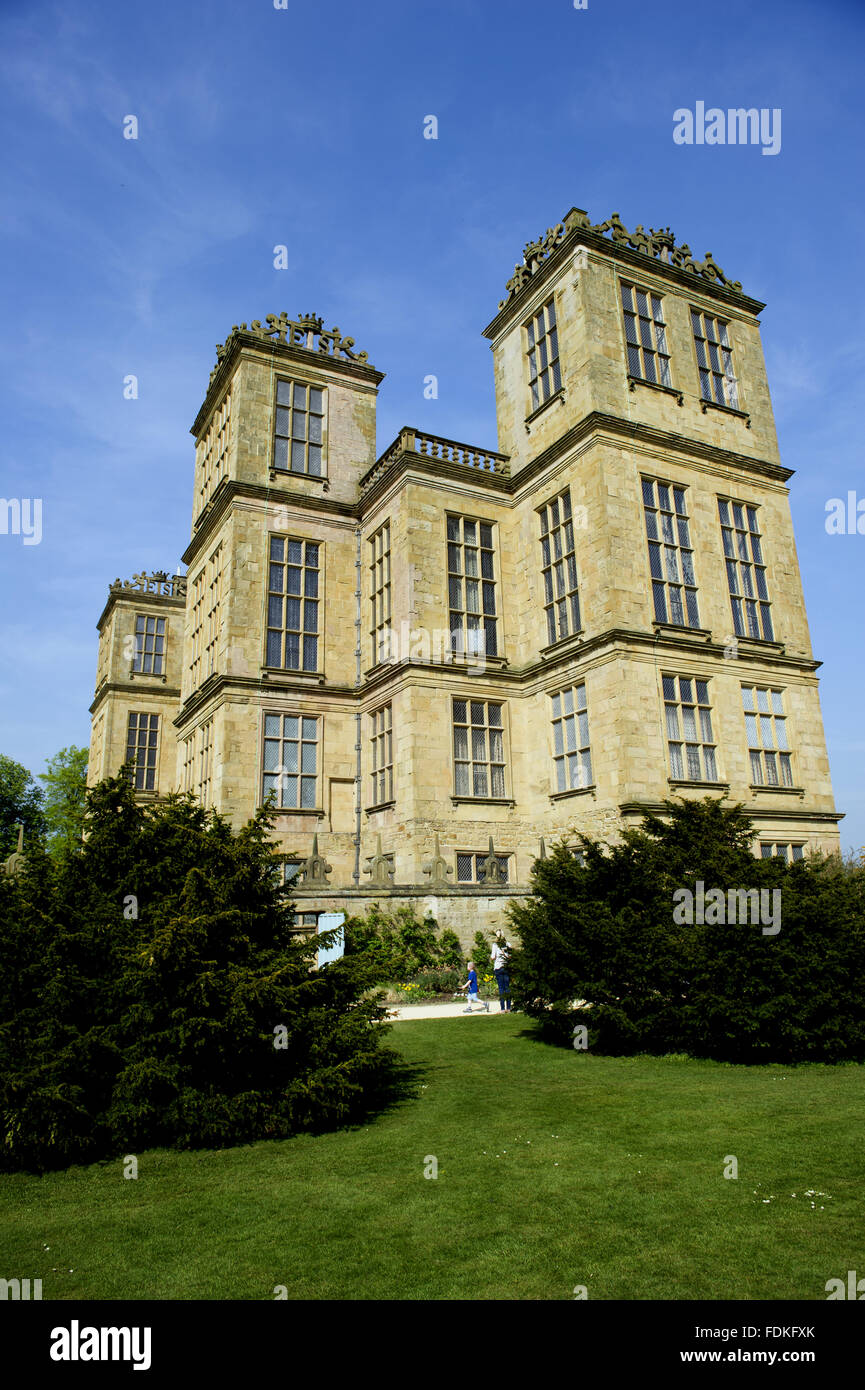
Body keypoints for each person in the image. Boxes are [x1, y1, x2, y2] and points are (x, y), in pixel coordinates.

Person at [490, 931, 512, 1011]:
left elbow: (493, 957)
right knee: (507, 987)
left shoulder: (495, 945)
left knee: (501, 988)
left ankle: (502, 1008)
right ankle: (508, 1007)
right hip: (506, 967)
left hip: (498, 967)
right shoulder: (508, 944)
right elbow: (510, 956)